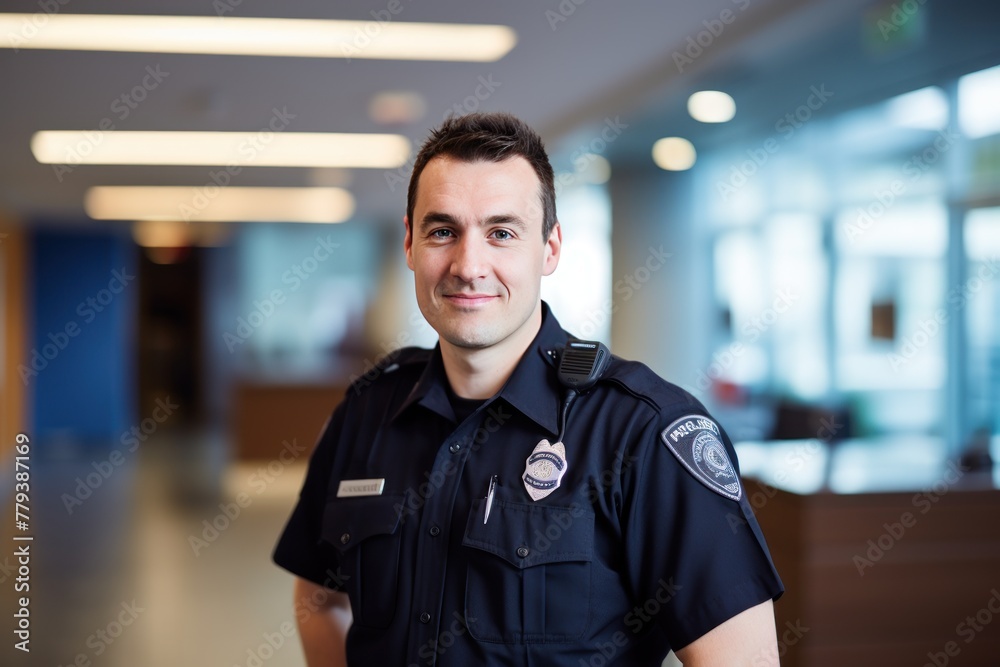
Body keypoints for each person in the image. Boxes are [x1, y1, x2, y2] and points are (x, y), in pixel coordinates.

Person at [273, 112, 784, 666]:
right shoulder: (366, 413)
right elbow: (319, 601)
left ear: (550, 248)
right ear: (410, 244)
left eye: (502, 233)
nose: (469, 266)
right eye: (443, 231)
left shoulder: (643, 433)